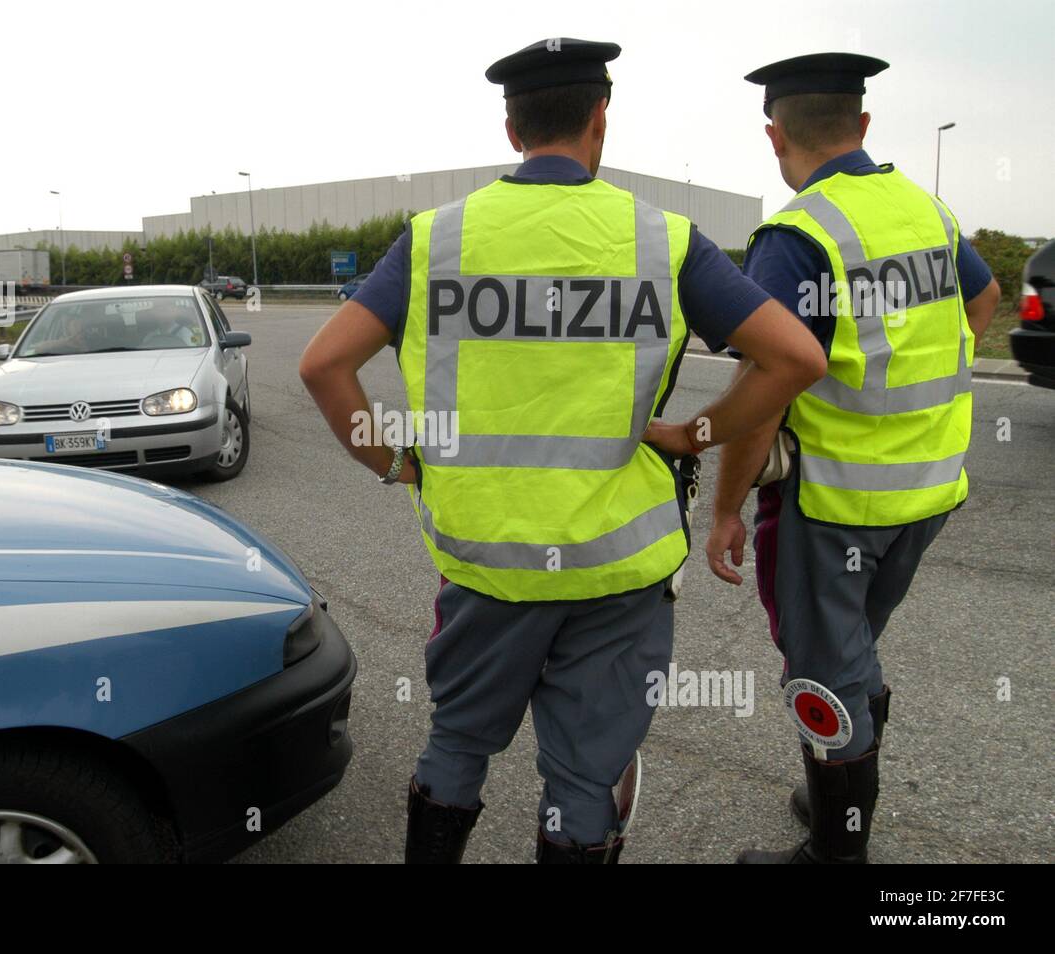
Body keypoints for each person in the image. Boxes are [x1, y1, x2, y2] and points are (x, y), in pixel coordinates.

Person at [299, 37, 826, 863]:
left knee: (457, 744)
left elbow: (323, 365)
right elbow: (795, 358)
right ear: (600, 120)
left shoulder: (435, 239)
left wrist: (393, 462)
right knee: (585, 779)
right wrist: (694, 433)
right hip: (618, 573)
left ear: (512, 130)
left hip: (486, 567)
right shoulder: (664, 241)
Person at [707, 53, 1001, 864]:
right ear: (863, 124)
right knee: (853, 652)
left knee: (824, 675)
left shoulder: (798, 236)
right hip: (930, 492)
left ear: (775, 137)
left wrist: (726, 509)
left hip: (835, 504)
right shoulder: (926, 209)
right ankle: (837, 794)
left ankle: (837, 852)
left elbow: (764, 384)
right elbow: (983, 300)